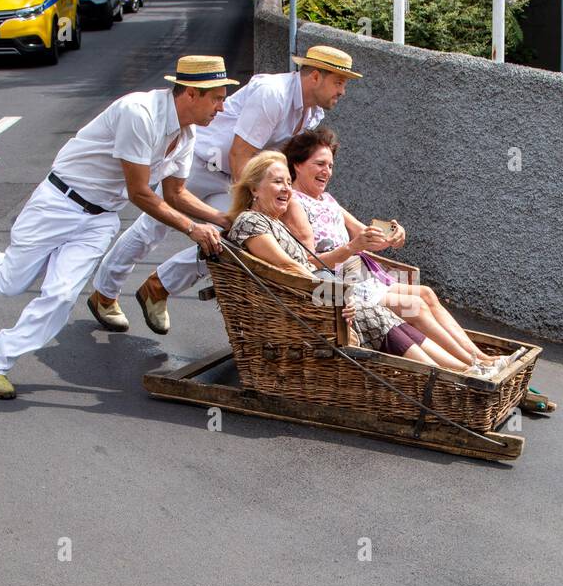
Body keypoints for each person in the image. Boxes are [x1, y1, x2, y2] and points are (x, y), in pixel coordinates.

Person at [0, 55, 238, 400]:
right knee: (11, 282)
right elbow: (140, 193)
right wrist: (193, 229)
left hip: (100, 220)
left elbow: (175, 193)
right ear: (191, 93)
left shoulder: (186, 135)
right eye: (217, 98)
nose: (222, 107)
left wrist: (222, 219)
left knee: (60, 295)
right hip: (59, 202)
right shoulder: (139, 114)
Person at [86, 45, 360, 335]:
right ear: (315, 76)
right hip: (200, 163)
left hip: (233, 177)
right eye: (338, 82)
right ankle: (105, 294)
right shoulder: (274, 94)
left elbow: (272, 161)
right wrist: (257, 207)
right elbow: (240, 153)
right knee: (151, 229)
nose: (342, 91)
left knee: (235, 240)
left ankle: (158, 286)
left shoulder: (312, 112)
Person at [280, 127, 510, 374]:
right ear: (297, 165)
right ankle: (471, 366)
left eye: (331, 166)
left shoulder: (326, 199)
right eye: (320, 164)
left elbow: (366, 233)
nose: (327, 171)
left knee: (426, 294)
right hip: (341, 285)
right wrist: (352, 247)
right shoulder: (295, 203)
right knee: (415, 306)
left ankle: (481, 358)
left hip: (363, 277)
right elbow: (310, 262)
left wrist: (393, 234)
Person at [228, 152, 473, 371]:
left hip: (336, 286)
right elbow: (290, 267)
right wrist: (337, 294)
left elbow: (361, 235)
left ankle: (467, 365)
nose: (286, 189)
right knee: (397, 311)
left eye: (287, 183)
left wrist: (393, 233)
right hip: (313, 298)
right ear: (254, 189)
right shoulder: (256, 219)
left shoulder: (301, 211)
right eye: (277, 182)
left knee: (405, 304)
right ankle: (450, 373)